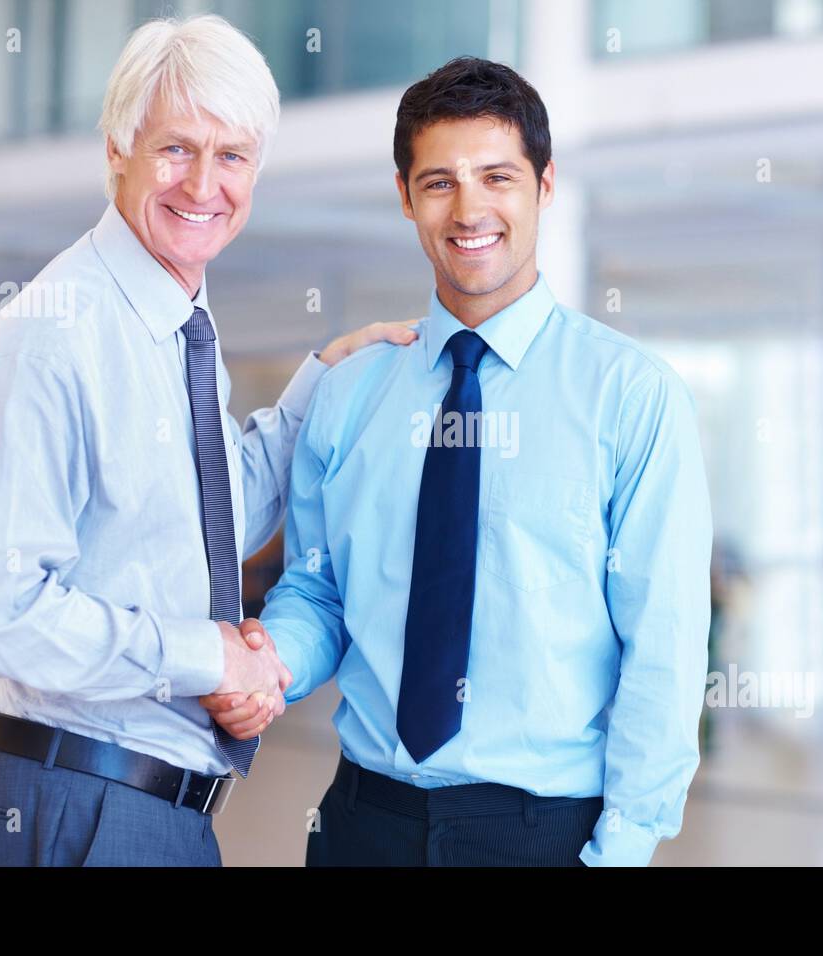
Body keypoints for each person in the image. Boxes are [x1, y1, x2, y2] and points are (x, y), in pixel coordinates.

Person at [202, 57, 713, 867]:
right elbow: (318, 589)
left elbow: (666, 644)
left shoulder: (632, 397)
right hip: (362, 821)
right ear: (405, 196)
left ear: (545, 185)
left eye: (497, 176)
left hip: (543, 830)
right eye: (439, 182)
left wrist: (621, 850)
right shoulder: (351, 394)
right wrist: (270, 666)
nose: (469, 208)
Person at [0, 14, 415, 867]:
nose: (203, 184)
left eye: (232, 157)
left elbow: (212, 507)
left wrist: (321, 383)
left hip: (156, 813)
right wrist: (209, 656)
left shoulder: (176, 322)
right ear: (117, 148)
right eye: (175, 149)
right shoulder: (53, 337)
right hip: (82, 805)